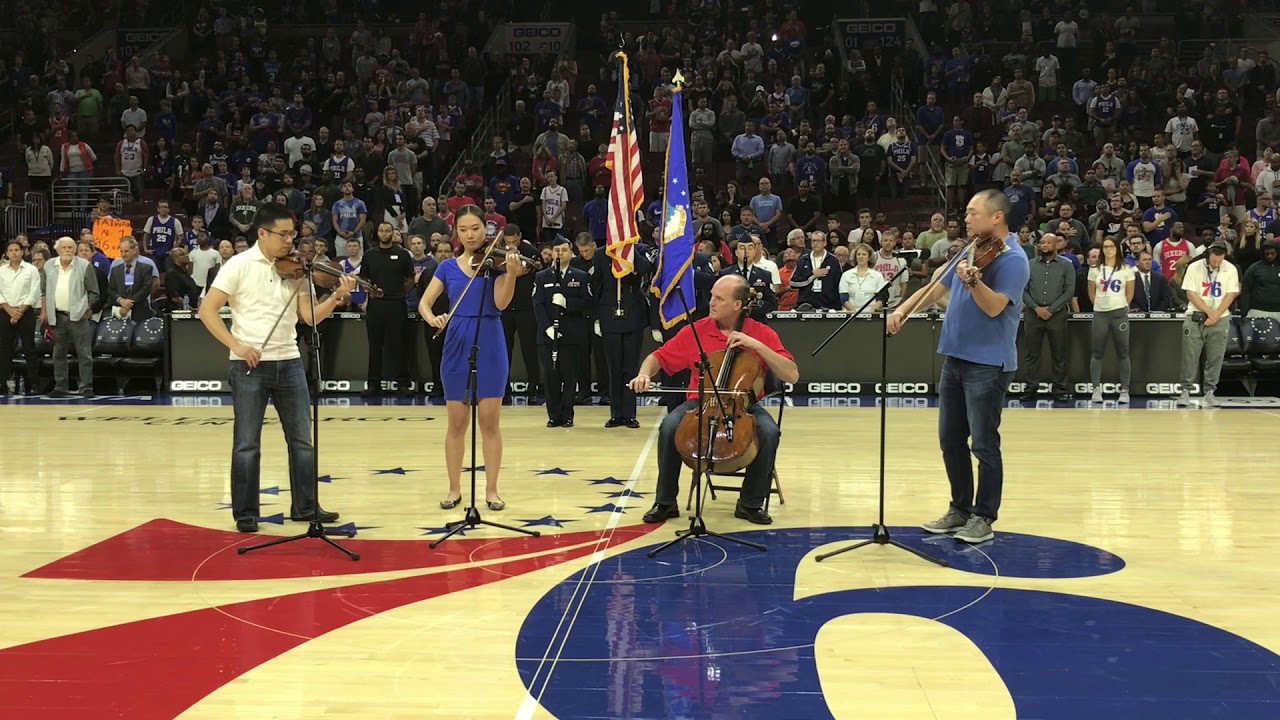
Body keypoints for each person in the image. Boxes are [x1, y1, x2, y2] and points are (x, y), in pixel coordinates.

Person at [198, 203, 356, 533]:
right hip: (249, 366)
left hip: (290, 362)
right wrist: (237, 346)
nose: (290, 242)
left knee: (302, 440)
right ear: (262, 234)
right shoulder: (238, 265)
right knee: (246, 443)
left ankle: (305, 506)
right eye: (283, 235)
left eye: (292, 235)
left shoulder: (297, 269)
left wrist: (337, 296)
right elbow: (207, 311)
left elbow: (310, 317)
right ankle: (245, 512)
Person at [888, 189, 1030, 544]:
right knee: (950, 440)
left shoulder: (1013, 259)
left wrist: (974, 281)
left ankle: (983, 516)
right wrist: (904, 310)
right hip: (955, 358)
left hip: (988, 364)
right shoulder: (971, 248)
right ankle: (959, 509)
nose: (964, 219)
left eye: (972, 212)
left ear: (996, 216)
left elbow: (996, 307)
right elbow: (936, 288)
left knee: (983, 444)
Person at [631, 274, 799, 526]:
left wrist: (757, 346)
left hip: (744, 405)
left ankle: (750, 503)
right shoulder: (697, 330)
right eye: (711, 296)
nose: (711, 302)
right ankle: (665, 502)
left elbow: (792, 374)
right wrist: (644, 373)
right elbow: (658, 357)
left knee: (769, 431)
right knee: (668, 427)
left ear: (737, 305)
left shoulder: (760, 332)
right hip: (700, 403)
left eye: (719, 299)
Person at [418, 205, 527, 510]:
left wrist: (512, 275)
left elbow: (500, 303)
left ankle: (491, 491)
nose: (470, 235)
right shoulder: (447, 267)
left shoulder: (496, 264)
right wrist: (433, 319)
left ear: (486, 229)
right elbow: (425, 303)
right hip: (455, 341)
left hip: (490, 339)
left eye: (475, 228)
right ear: (457, 232)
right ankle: (454, 490)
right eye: (463, 229)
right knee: (456, 423)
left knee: (490, 423)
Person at [533, 236, 593, 427]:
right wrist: (547, 327)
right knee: (551, 378)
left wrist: (568, 304)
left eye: (564, 250)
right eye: (557, 250)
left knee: (569, 378)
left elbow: (587, 304)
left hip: (571, 336)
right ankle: (553, 415)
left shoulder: (580, 276)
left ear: (571, 252)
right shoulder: (542, 277)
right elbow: (538, 304)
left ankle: (567, 415)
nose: (560, 254)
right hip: (548, 336)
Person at [1178, 240, 1240, 407]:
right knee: (1190, 355)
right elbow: (1191, 293)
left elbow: (1231, 294)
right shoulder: (1194, 267)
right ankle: (1185, 391)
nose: (1217, 263)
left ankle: (1210, 392)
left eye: (1220, 260)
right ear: (1208, 255)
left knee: (1216, 356)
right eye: (1214, 261)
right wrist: (1210, 312)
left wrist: (1216, 314)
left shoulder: (1230, 269)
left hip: (1221, 317)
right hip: (1195, 315)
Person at [40, 236, 100, 397]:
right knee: (58, 353)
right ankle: (60, 387)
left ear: (74, 250)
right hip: (57, 316)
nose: (67, 250)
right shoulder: (49, 265)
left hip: (78, 316)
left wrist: (86, 308)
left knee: (84, 353)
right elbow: (44, 291)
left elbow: (94, 292)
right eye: (64, 247)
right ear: (57, 250)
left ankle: (86, 386)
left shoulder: (84, 265)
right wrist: (44, 311)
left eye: (70, 248)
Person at [360, 222, 414, 396]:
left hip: (397, 304)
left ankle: (403, 383)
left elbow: (411, 278)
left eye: (387, 231)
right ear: (377, 233)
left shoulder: (403, 254)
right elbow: (364, 279)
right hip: (376, 305)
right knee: (375, 345)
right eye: (381, 230)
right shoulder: (369, 255)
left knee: (400, 344)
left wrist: (400, 292)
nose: (384, 233)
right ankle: (374, 384)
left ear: (393, 233)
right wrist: (370, 289)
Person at [1021, 233, 1075, 402]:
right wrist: (1036, 308)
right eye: (1042, 242)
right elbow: (1023, 289)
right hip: (1033, 314)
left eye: (1048, 242)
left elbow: (1069, 291)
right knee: (1031, 354)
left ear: (1056, 245)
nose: (1044, 245)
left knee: (1059, 354)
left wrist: (1051, 309)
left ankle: (1059, 389)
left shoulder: (1066, 265)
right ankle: (1031, 388)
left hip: (1057, 315)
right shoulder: (1029, 265)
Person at [1087, 236, 1135, 403]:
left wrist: (1119, 305)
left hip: (1119, 314)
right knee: (1097, 352)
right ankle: (1096, 389)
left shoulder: (1126, 269)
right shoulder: (1095, 269)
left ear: (1117, 249)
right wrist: (1100, 305)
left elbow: (1130, 294)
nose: (1108, 249)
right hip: (1100, 314)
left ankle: (1124, 390)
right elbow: (1091, 293)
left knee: (1123, 352)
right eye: (1105, 247)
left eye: (1111, 246)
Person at [0, 240, 41, 395]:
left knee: (29, 348)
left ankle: (34, 385)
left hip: (26, 312)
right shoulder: (1, 271)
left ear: (22, 252)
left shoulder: (31, 270)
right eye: (11, 250)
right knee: (5, 349)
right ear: (7, 253)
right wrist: (10, 311)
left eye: (17, 249)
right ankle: (2, 384)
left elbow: (34, 292)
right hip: (5, 311)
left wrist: (20, 312)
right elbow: (0, 293)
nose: (14, 252)